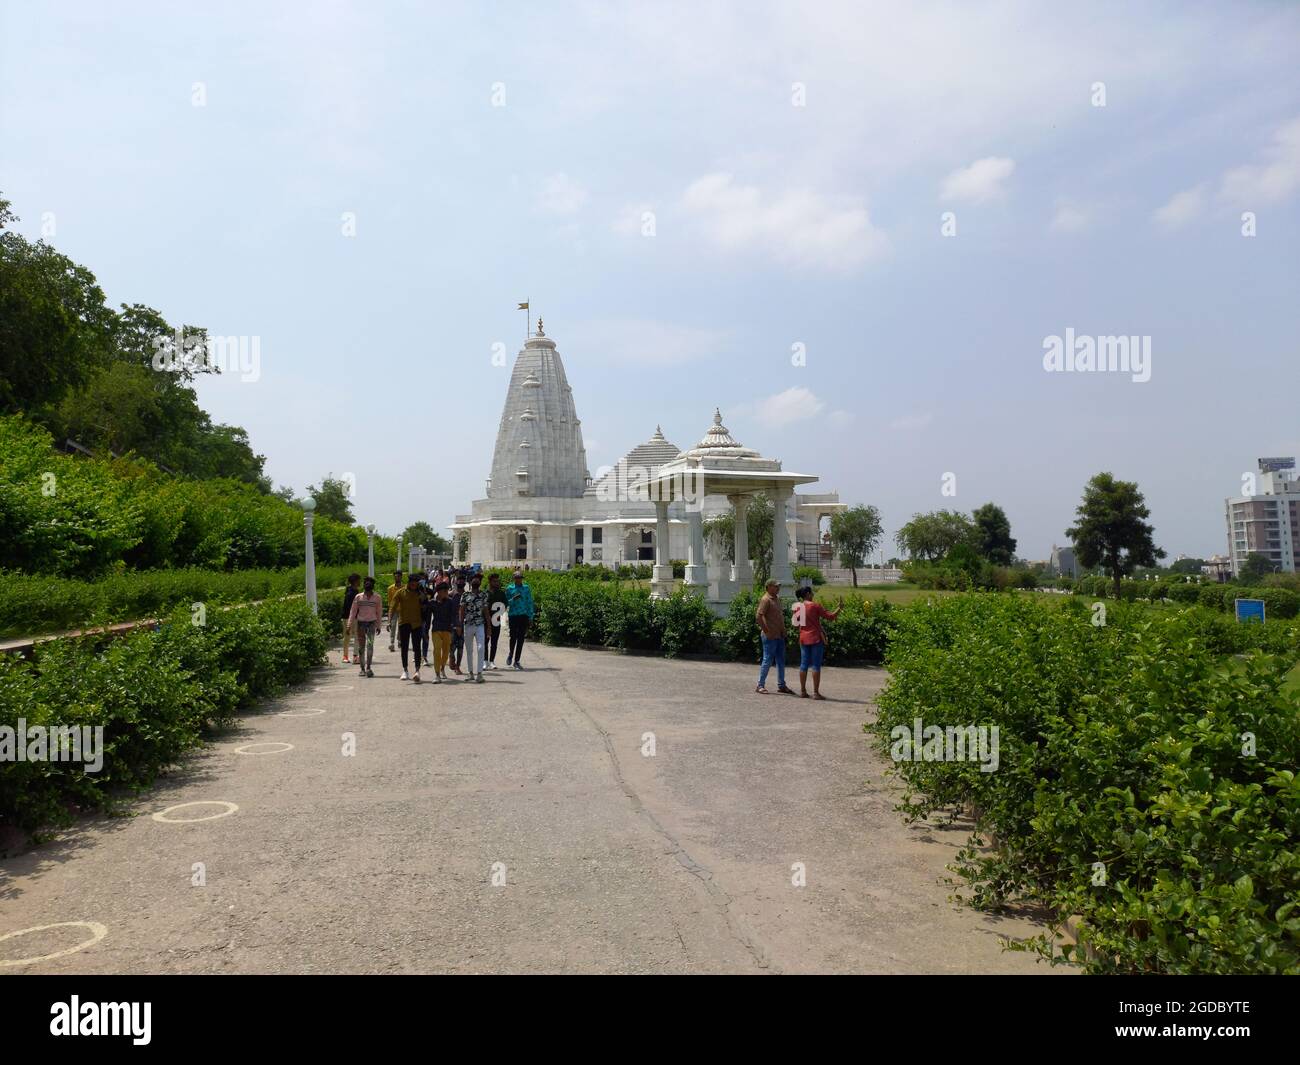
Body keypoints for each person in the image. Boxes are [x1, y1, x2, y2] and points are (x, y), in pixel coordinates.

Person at [794, 587, 841, 699]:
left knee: (803, 665)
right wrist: (839, 608)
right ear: (808, 594)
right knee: (816, 665)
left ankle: (803, 691)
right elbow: (830, 617)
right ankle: (815, 693)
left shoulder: (797, 607)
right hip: (815, 638)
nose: (813, 594)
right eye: (812, 592)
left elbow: (796, 624)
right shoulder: (815, 606)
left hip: (803, 638)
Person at [755, 579, 794, 695]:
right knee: (767, 660)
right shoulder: (766, 599)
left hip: (779, 635)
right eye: (776, 586)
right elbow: (758, 616)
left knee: (781, 660)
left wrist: (784, 631)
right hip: (770, 636)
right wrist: (767, 631)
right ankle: (760, 685)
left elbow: (779, 617)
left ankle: (781, 685)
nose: (778, 588)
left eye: (778, 586)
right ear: (769, 587)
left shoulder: (777, 599)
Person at [348, 576, 383, 677]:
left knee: (370, 646)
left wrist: (379, 626)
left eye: (370, 583)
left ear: (372, 585)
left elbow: (379, 612)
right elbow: (353, 611)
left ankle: (368, 667)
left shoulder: (377, 598)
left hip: (371, 625)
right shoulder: (358, 597)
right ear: (364, 585)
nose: (367, 584)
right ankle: (362, 668)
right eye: (366, 583)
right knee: (361, 647)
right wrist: (349, 625)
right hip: (361, 625)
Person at [392, 573, 425, 681]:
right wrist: (389, 621)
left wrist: (422, 597)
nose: (414, 586)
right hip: (404, 623)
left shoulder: (420, 593)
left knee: (417, 648)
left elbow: (426, 605)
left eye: (416, 584)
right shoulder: (401, 592)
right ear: (409, 583)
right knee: (404, 648)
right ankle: (405, 670)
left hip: (417, 623)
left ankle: (417, 671)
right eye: (413, 584)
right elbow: (393, 606)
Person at [460, 572, 489, 683]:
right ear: (470, 583)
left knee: (481, 648)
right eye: (473, 579)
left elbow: (486, 611)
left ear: (479, 583)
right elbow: (461, 611)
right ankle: (470, 673)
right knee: (469, 650)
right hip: (468, 625)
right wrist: (460, 625)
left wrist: (489, 626)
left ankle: (480, 673)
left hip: (480, 624)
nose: (475, 581)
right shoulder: (465, 595)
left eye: (477, 579)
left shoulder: (483, 595)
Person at [505, 569, 535, 670]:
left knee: (521, 639)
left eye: (520, 578)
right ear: (514, 578)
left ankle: (517, 660)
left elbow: (529, 602)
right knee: (513, 637)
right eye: (517, 578)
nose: (518, 580)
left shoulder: (526, 588)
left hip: (523, 615)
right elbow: (505, 603)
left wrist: (530, 616)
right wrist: (513, 599)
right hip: (513, 615)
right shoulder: (509, 588)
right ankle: (510, 653)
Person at [429, 580, 456, 682]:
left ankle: (442, 668)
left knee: (445, 652)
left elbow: (454, 615)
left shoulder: (450, 602)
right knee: (437, 650)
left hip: (447, 630)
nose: (446, 592)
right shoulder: (432, 602)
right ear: (438, 591)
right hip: (436, 629)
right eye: (444, 590)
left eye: (447, 590)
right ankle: (437, 675)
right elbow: (427, 617)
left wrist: (456, 626)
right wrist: (425, 630)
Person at [484, 572, 508, 669]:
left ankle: (492, 661)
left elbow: (505, 604)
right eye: (495, 581)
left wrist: (500, 614)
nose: (497, 583)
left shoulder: (501, 593)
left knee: (494, 642)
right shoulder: (485, 593)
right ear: (490, 582)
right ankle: (485, 661)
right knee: (485, 641)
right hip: (485, 620)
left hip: (496, 620)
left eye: (498, 581)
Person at [341, 573, 361, 663]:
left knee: (355, 636)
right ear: (355, 581)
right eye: (358, 580)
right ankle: (346, 656)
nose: (360, 582)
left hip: (354, 617)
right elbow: (348, 608)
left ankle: (354, 656)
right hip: (348, 617)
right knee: (348, 636)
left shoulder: (354, 591)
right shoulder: (350, 593)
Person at [448, 578, 465, 674]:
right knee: (451, 647)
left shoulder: (466, 595)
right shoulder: (451, 595)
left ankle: (457, 666)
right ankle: (451, 658)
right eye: (459, 581)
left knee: (460, 647)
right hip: (452, 625)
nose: (460, 583)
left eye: (462, 581)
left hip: (463, 625)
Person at [386, 570, 404, 651]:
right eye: (396, 576)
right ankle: (392, 642)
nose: (397, 578)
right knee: (392, 625)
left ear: (401, 577)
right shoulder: (390, 588)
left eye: (399, 576)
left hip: (402, 610)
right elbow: (389, 601)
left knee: (401, 626)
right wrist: (389, 612)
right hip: (393, 610)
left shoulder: (404, 587)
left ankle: (400, 640)